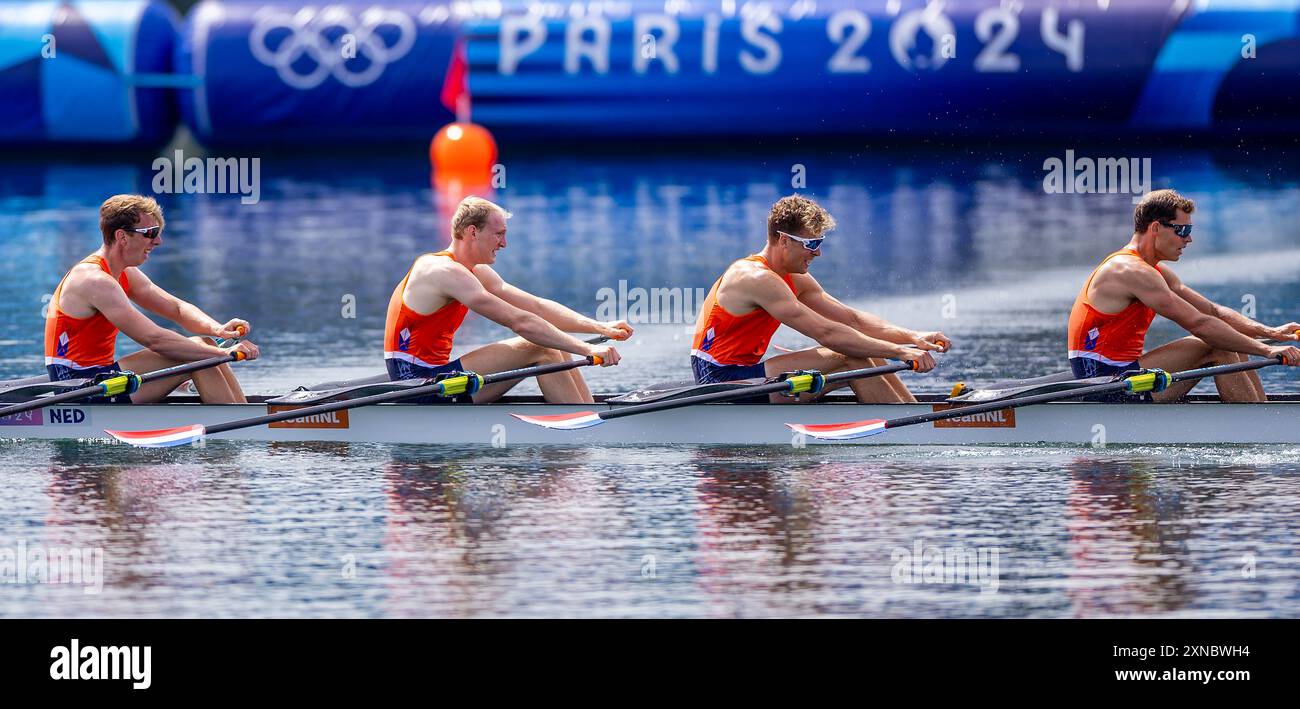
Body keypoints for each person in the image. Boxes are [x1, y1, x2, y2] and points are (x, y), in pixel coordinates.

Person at [689, 195, 948, 403]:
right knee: (851, 354)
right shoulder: (756, 278)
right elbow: (826, 333)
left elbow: (853, 321)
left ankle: (912, 414)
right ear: (784, 240)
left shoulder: (794, 278)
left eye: (819, 242)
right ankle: (911, 430)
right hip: (721, 382)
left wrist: (913, 337)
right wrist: (900, 352)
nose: (819, 252)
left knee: (867, 349)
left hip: (749, 373)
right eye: (811, 244)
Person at [384, 196, 628, 403]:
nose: (504, 243)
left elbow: (536, 307)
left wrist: (600, 327)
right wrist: (588, 348)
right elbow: (519, 321)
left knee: (550, 340)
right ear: (472, 232)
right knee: (540, 345)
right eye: (498, 234)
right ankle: (585, 427)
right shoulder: (443, 271)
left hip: (439, 378)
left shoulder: (473, 270)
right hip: (418, 385)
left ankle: (587, 411)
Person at [1067, 188, 1300, 402]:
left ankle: (1261, 413)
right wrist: (1268, 350)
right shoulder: (1129, 270)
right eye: (1182, 230)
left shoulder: (1155, 271)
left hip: (1127, 374)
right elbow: (1199, 324)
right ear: (1156, 228)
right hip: (1104, 385)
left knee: (1230, 337)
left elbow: (1212, 311)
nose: (1188, 239)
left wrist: (1271, 333)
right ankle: (1258, 430)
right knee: (1216, 344)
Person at [44, 195, 259, 403]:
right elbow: (155, 340)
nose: (158, 241)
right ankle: (235, 430)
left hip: (101, 375)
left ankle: (243, 415)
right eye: (150, 233)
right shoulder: (95, 280)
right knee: (201, 355)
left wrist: (218, 329)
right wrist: (224, 352)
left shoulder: (123, 272)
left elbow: (176, 309)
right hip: (77, 388)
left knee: (205, 345)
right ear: (122, 237)